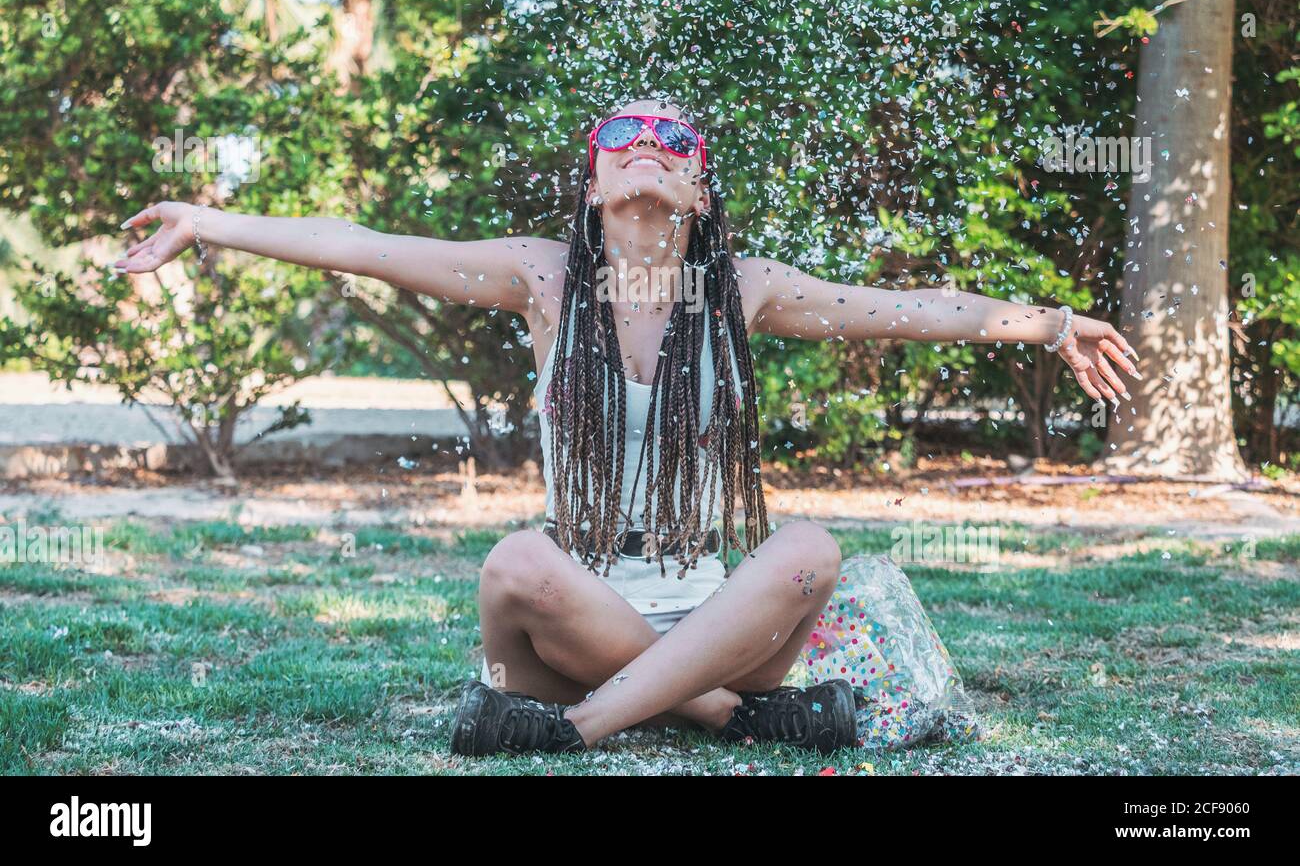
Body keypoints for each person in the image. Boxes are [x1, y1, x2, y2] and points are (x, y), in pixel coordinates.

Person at [117, 97, 1138, 756]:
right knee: (516, 560)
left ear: (699, 185)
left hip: (714, 624)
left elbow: (912, 309)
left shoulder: (748, 290)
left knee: (808, 547)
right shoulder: (542, 279)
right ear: (592, 179)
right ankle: (728, 720)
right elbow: (364, 244)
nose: (645, 149)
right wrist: (209, 223)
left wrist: (1048, 326)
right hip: (572, 622)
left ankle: (572, 732)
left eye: (672, 141)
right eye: (621, 137)